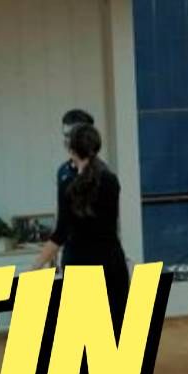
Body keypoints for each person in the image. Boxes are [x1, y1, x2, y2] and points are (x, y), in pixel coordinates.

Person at [32, 125, 130, 328]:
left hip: (79, 263)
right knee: (117, 330)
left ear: (71, 150)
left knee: (84, 332)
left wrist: (35, 267)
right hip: (111, 262)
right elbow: (110, 226)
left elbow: (60, 234)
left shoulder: (67, 184)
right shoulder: (111, 181)